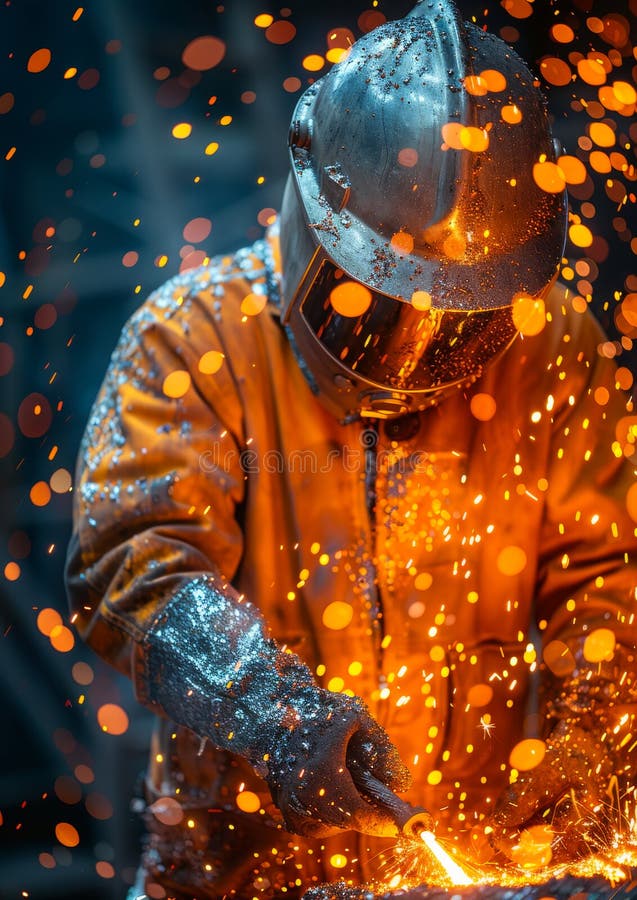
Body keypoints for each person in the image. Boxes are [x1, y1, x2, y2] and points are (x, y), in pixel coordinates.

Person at [65, 1, 637, 898]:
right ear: (312, 213)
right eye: (378, 310)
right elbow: (129, 565)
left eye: (455, 329)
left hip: (475, 872)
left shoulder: (549, 348)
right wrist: (270, 711)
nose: (411, 365)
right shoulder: (193, 343)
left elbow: (608, 577)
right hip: (244, 880)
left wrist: (593, 738)